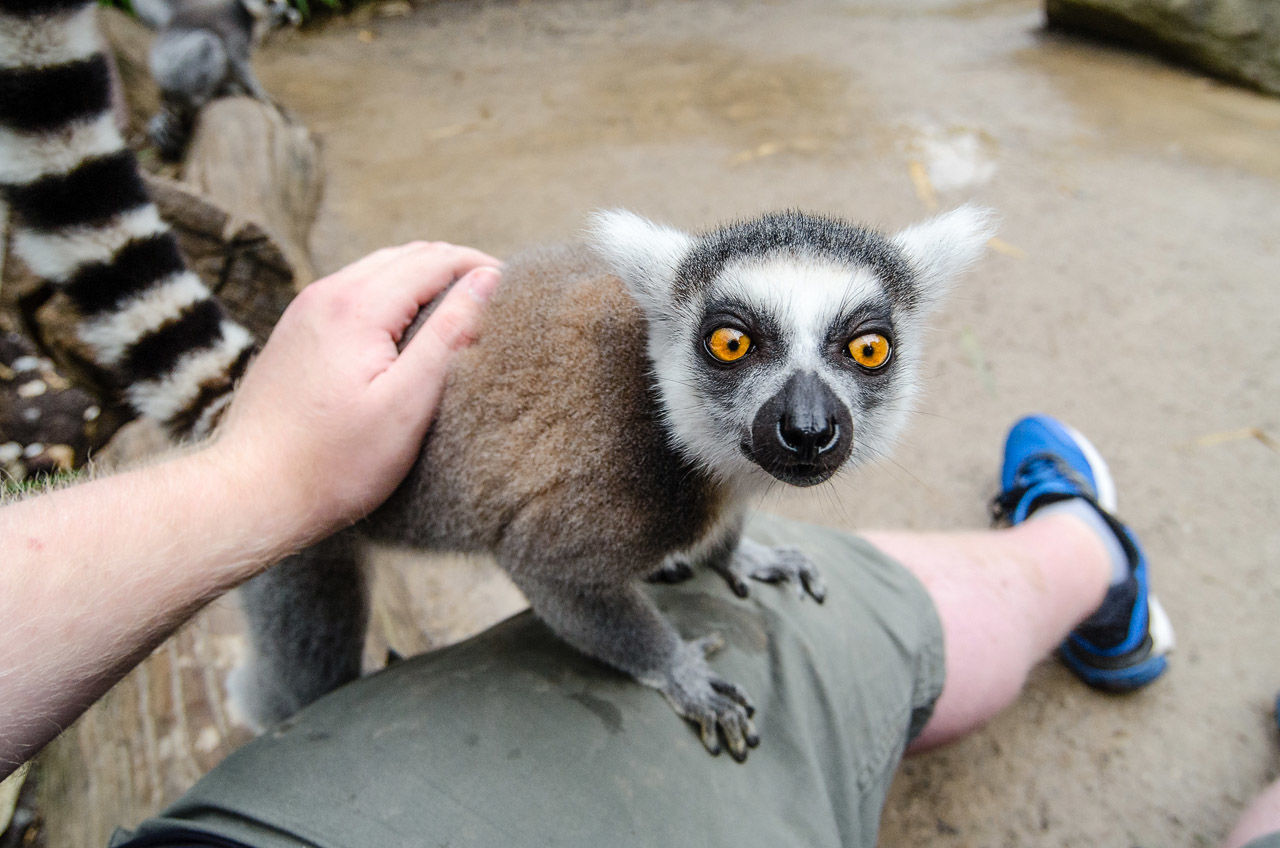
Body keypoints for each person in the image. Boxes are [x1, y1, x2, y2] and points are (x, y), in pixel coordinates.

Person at [0, 244, 1270, 847]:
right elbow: (550, 558)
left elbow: (718, 446)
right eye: (734, 345)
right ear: (674, 336)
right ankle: (1083, 554)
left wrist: (736, 540)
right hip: (316, 509)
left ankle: (1078, 556)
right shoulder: (626, 493)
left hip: (299, 445)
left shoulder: (685, 453)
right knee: (313, 696)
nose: (813, 404)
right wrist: (666, 663)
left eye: (862, 353)